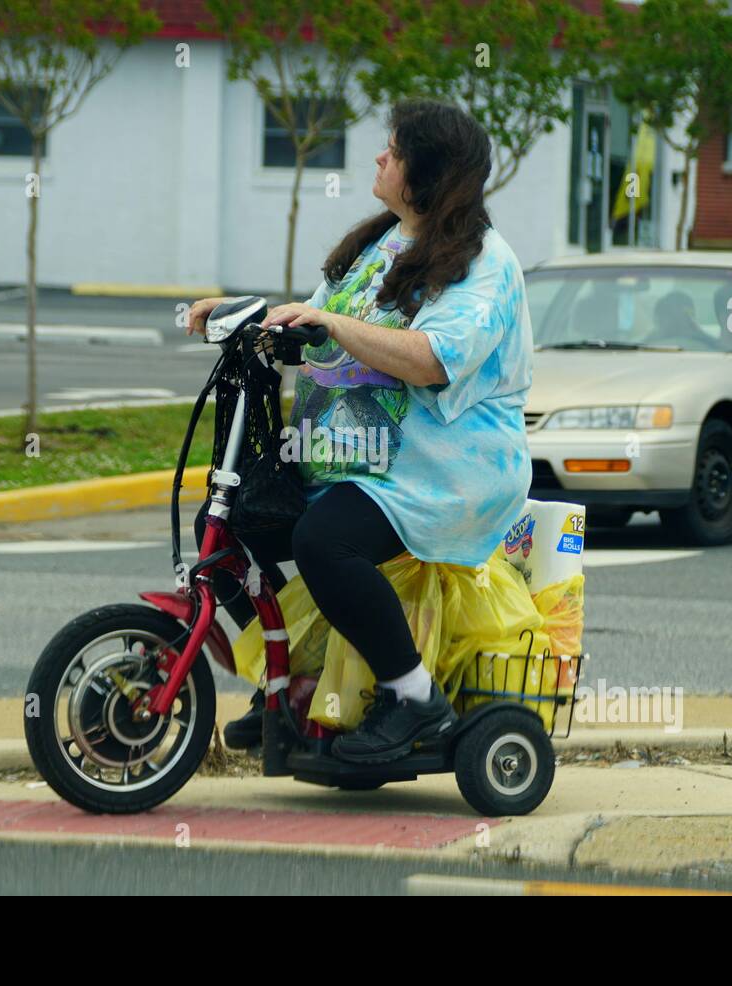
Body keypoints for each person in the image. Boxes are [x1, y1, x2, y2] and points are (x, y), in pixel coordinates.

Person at [185, 98, 534, 764]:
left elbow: (433, 359)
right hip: (356, 456)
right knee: (231, 524)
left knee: (324, 541)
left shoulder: (486, 263)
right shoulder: (382, 243)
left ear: (428, 175)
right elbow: (314, 319)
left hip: (446, 469)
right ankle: (291, 684)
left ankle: (413, 699)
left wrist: (339, 329)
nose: (380, 157)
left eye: (395, 152)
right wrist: (240, 311)